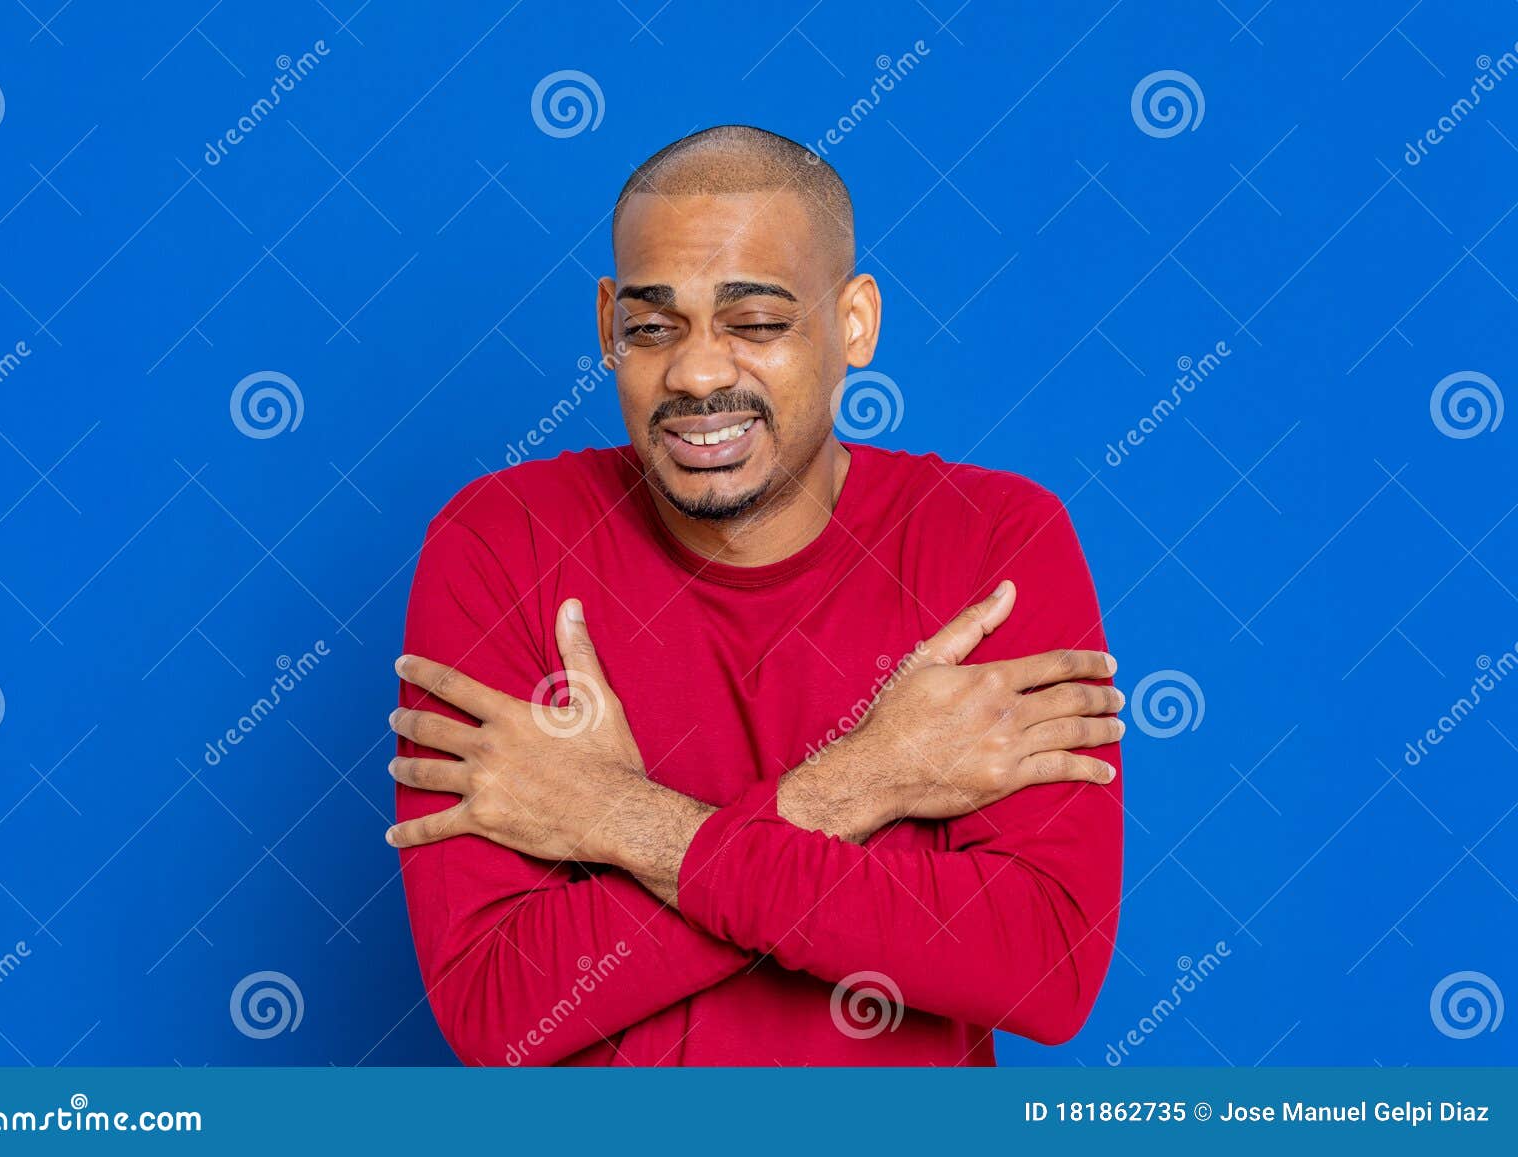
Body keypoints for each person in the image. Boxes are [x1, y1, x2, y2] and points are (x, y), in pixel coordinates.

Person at [386, 125, 1124, 1066]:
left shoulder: (993, 541)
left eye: (757, 323)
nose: (697, 373)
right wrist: (867, 780)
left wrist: (617, 820)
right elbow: (497, 1005)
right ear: (607, 323)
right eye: (653, 328)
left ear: (854, 324)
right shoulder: (501, 543)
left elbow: (1042, 967)